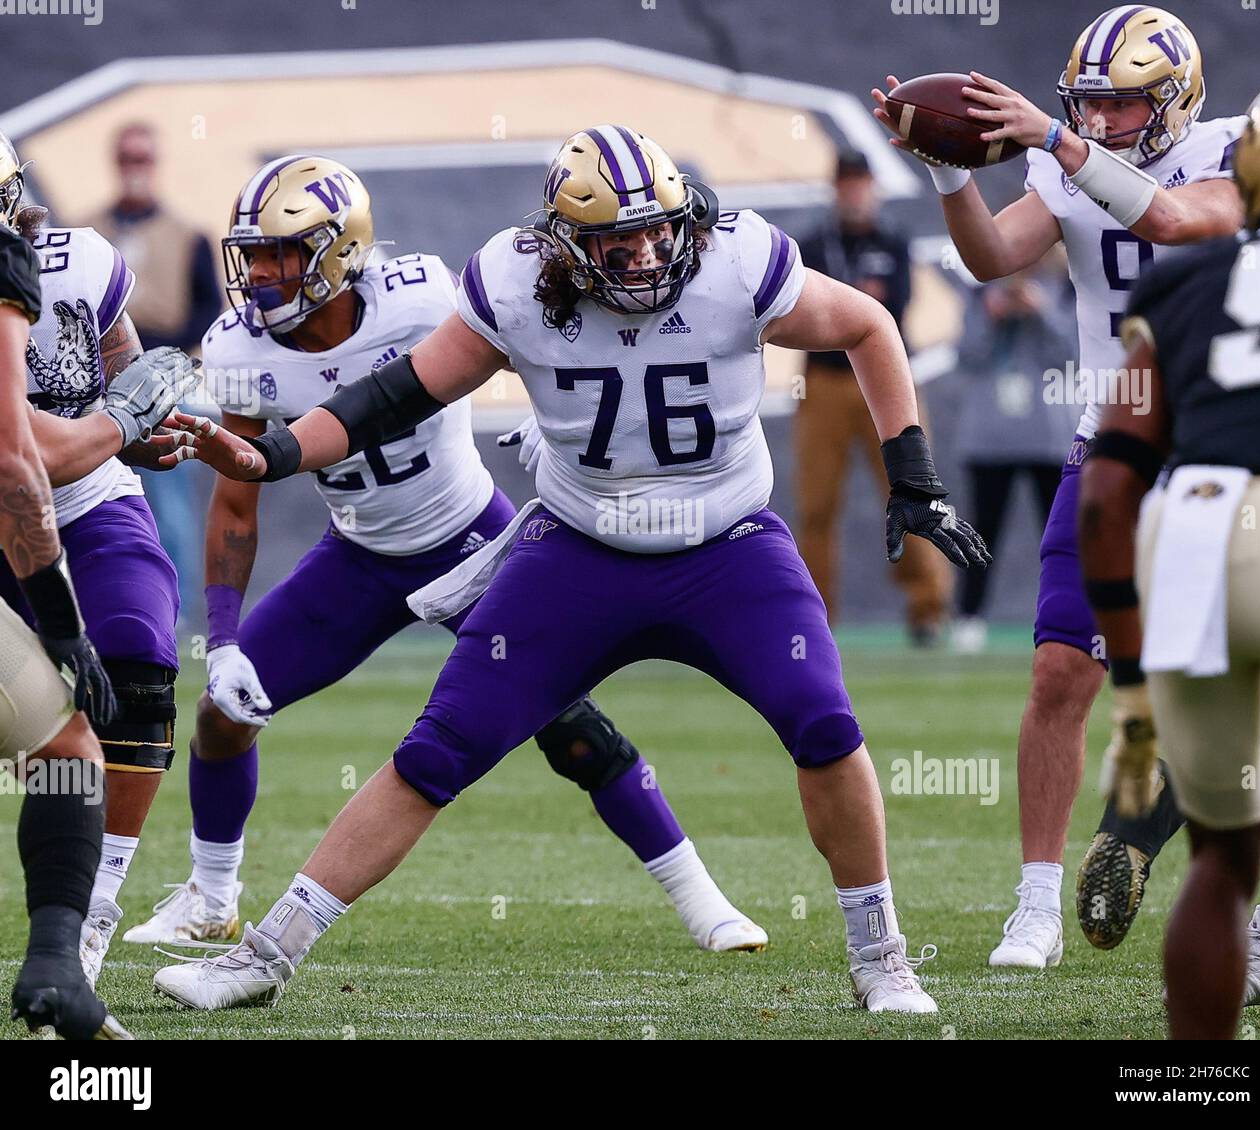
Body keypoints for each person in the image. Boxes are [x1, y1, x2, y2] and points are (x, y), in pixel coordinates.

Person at [152, 125, 987, 1015]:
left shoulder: (735, 258)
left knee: (824, 721)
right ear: (562, 245)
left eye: (656, 229)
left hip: (728, 544)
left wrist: (914, 473)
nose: (644, 253)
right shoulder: (515, 281)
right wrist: (278, 456)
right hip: (579, 548)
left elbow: (868, 323)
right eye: (615, 240)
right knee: (440, 747)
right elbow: (397, 394)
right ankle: (267, 954)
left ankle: (881, 955)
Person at [123, 154, 767, 955]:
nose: (260, 274)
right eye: (252, 255)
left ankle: (701, 898)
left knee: (570, 730)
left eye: (281, 254)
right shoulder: (239, 351)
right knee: (223, 714)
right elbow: (236, 500)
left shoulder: (421, 296)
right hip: (357, 556)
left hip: (472, 542)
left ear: (340, 250)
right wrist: (221, 638)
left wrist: (557, 418)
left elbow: (539, 330)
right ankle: (211, 897)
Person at [873, 5, 1251, 965]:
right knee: (1056, 672)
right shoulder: (1067, 162)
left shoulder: (1238, 150)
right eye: (1092, 106)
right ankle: (1036, 902)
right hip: (1114, 438)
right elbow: (992, 255)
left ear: (1176, 98)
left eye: (1124, 107)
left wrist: (1055, 135)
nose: (1105, 121)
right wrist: (949, 171)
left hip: (1232, 447)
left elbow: (1173, 218)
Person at [1078, 68, 1260, 1037]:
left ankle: (1194, 1074)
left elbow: (1106, 491)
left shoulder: (1184, 280)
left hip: (1195, 527)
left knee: (1224, 852)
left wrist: (1131, 685)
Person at [0, 171, 194, 1039]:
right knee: (60, 741)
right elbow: (28, 457)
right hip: (30, 498)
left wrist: (155, 427)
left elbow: (127, 386)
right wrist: (120, 420)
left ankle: (82, 927)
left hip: (79, 503)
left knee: (138, 671)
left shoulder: (79, 263)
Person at [796, 149, 952, 640]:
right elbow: (804, 315)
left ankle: (928, 608)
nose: (855, 193)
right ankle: (816, 615)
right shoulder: (814, 245)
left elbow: (898, 305)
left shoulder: (892, 240)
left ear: (873, 188)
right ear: (835, 189)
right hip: (824, 381)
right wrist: (859, 298)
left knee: (911, 489)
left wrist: (842, 305)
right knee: (816, 503)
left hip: (883, 380)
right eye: (847, 184)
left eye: (862, 183)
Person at [83, 122, 223, 623]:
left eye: (143, 158)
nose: (134, 168)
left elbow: (210, 306)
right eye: (127, 158)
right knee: (85, 490)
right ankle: (94, 607)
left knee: (169, 499)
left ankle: (176, 612)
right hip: (92, 385)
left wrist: (157, 355)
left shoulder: (187, 235)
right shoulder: (88, 231)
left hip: (160, 385)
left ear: (155, 163)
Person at [949, 259, 1078, 653]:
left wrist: (1042, 311)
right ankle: (969, 617)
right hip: (992, 435)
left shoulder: (1067, 290)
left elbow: (1071, 354)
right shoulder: (979, 293)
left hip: (1049, 433)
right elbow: (967, 355)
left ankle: (1070, 613)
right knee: (982, 530)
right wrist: (992, 314)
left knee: (1058, 533)